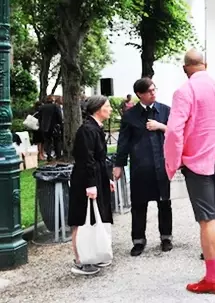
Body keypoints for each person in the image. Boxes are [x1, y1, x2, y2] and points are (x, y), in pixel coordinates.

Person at [164, 49, 215, 295]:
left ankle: (211, 277)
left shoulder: (185, 91)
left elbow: (174, 131)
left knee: (206, 219)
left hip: (199, 160)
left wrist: (172, 163)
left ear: (186, 68)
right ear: (205, 65)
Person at [113, 78, 172, 257]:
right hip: (140, 166)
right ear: (139, 94)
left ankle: (166, 237)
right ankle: (138, 240)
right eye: (149, 91)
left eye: (154, 90)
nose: (153, 93)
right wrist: (119, 164)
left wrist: (161, 126)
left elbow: (177, 133)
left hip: (161, 165)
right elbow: (123, 142)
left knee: (164, 202)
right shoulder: (130, 116)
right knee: (139, 204)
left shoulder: (165, 110)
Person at [67, 95, 114, 275]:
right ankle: (80, 260)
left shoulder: (95, 128)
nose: (110, 109)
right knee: (81, 218)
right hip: (85, 179)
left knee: (94, 216)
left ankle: (92, 254)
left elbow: (99, 159)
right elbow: (87, 159)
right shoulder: (87, 130)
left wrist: (106, 178)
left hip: (94, 177)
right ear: (98, 109)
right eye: (107, 106)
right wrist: (91, 184)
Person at [38, 96, 63, 161]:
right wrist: (61, 124)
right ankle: (58, 155)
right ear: (52, 100)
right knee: (57, 141)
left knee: (47, 141)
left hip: (45, 127)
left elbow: (40, 118)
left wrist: (41, 126)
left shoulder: (42, 107)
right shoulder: (55, 106)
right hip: (54, 126)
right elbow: (59, 116)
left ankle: (49, 155)